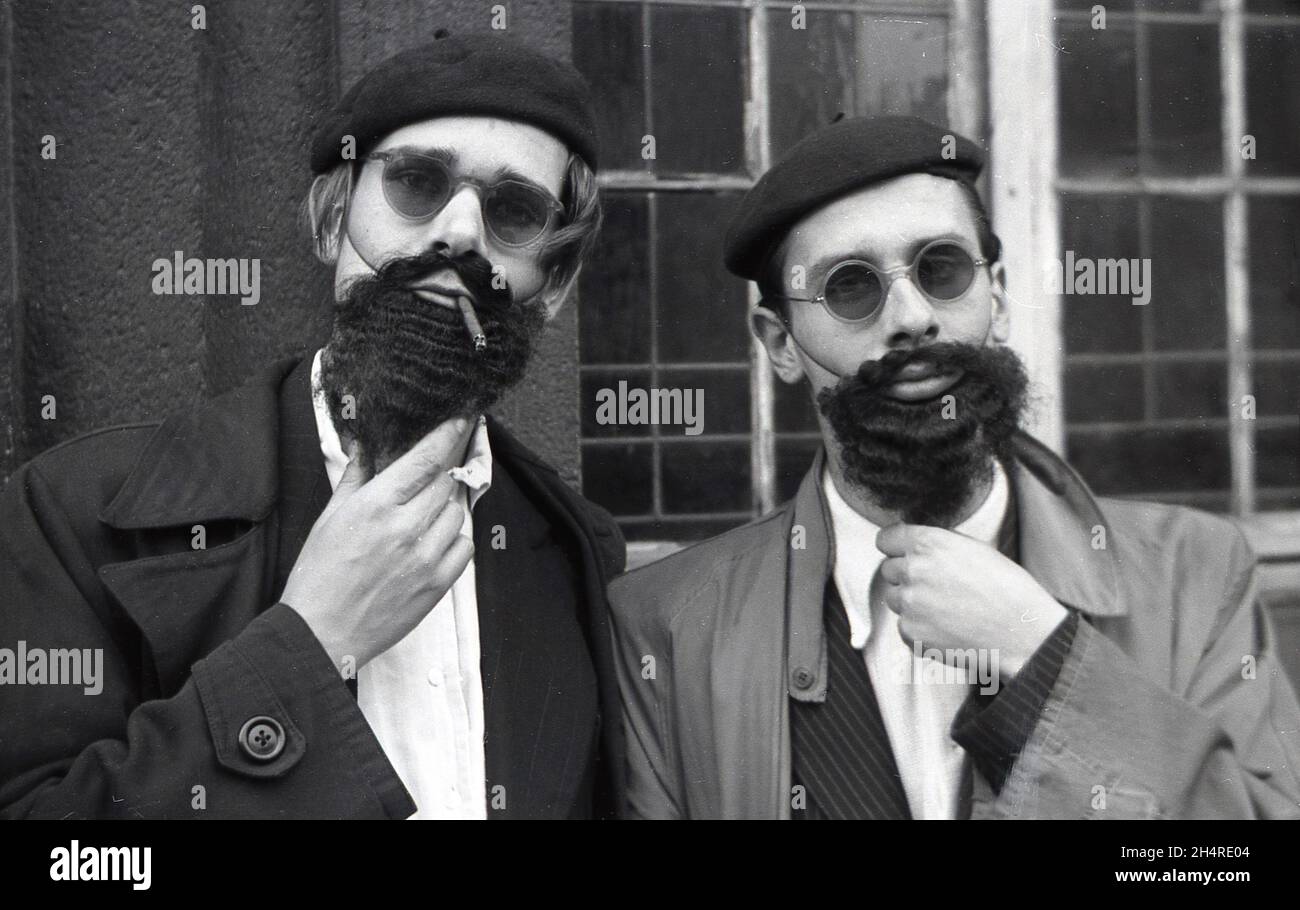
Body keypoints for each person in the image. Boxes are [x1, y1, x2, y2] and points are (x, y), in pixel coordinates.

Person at [0, 30, 625, 819]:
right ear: (333, 222)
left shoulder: (575, 552)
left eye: (513, 211)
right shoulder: (73, 516)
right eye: (417, 183)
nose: (460, 234)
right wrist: (310, 643)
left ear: (555, 283)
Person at [607, 115, 1300, 819]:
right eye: (851, 287)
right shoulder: (666, 627)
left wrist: (1044, 659)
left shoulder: (1193, 577)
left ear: (995, 298)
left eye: (941, 269)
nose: (910, 317)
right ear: (781, 342)